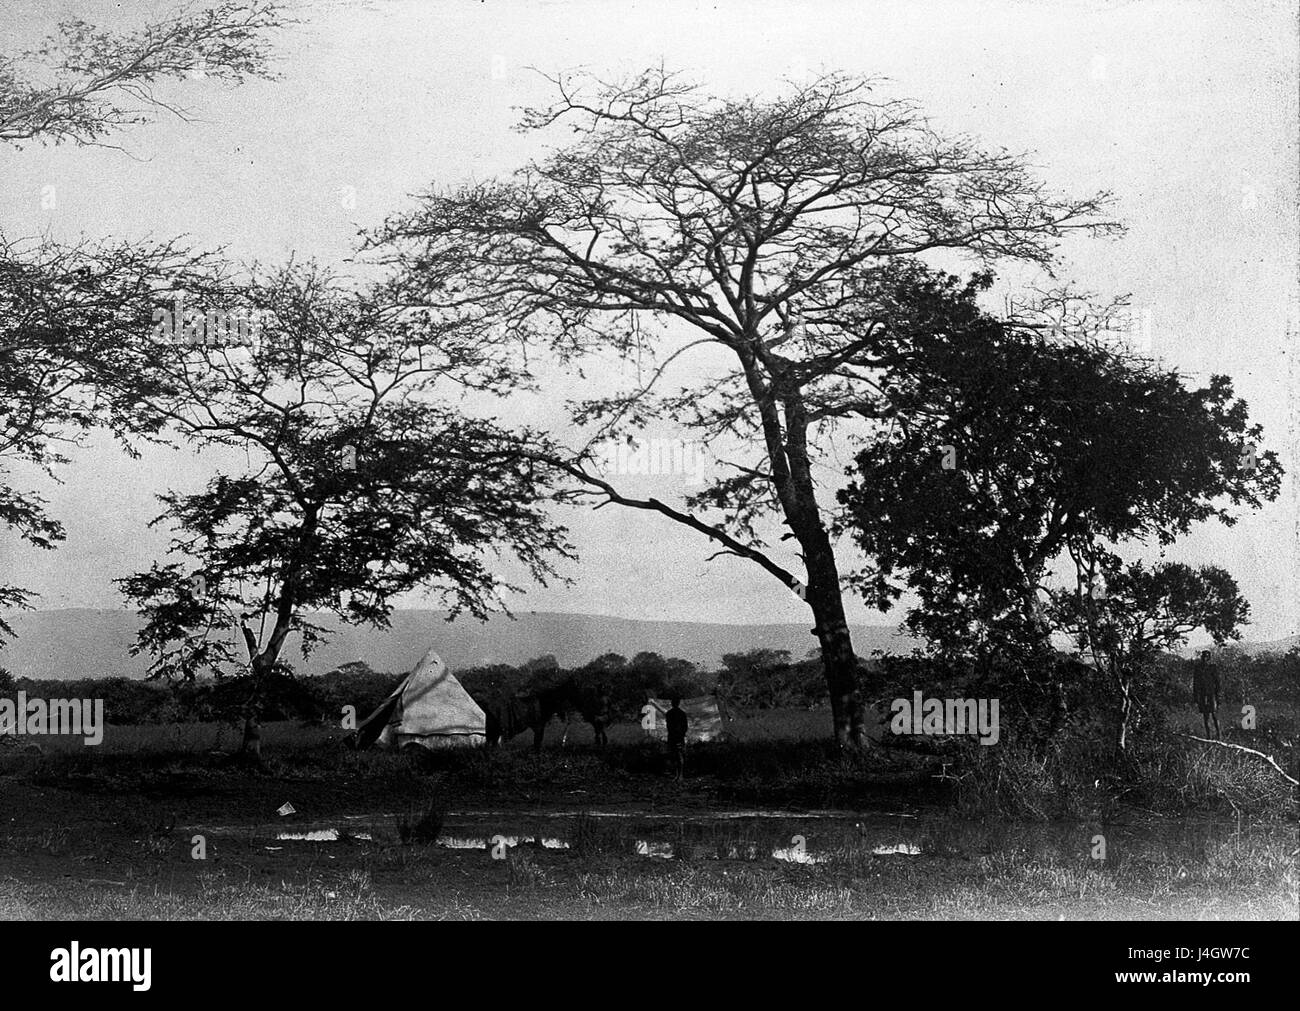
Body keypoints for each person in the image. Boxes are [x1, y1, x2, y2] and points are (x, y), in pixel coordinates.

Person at [1192, 650, 1221, 739]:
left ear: (1209, 658)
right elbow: (1195, 683)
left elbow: (1218, 682)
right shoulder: (1198, 668)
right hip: (1202, 695)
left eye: (1206, 657)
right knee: (1206, 716)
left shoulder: (1213, 667)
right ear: (1202, 657)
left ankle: (1219, 735)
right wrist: (1196, 697)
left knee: (1214, 715)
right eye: (1203, 657)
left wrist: (1218, 695)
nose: (1205, 658)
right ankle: (1208, 736)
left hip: (1211, 694)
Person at [665, 695, 688, 780]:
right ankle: (678, 774)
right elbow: (684, 727)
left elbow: (684, 727)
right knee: (675, 755)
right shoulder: (676, 713)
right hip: (675, 737)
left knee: (678, 755)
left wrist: (680, 733)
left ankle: (680, 775)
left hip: (675, 737)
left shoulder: (674, 713)